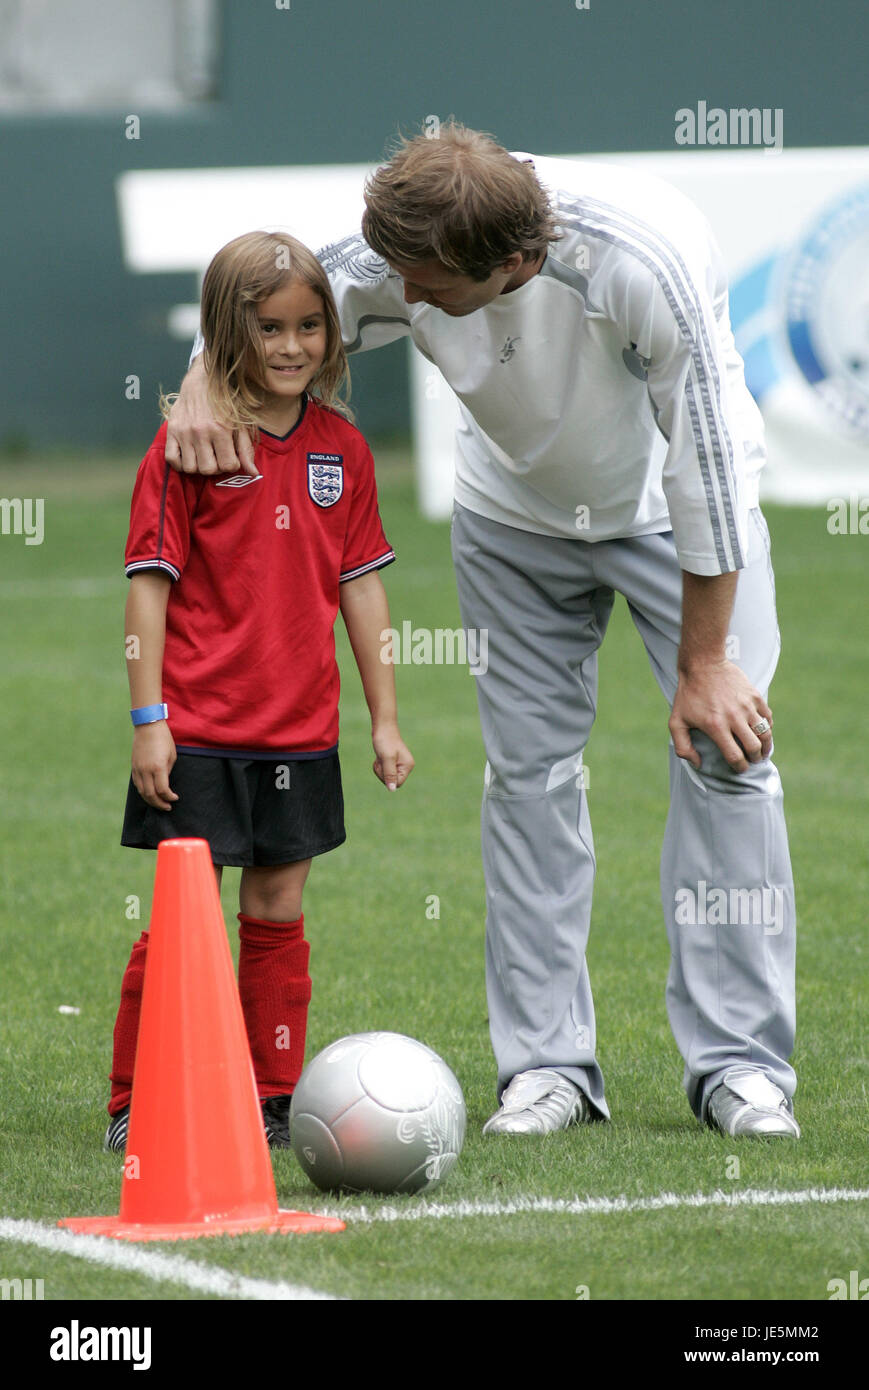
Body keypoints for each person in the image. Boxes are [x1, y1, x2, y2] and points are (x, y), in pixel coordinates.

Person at [165, 125, 800, 1141]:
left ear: (516, 262)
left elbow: (709, 464)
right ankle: (546, 1068)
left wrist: (705, 661)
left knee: (727, 760)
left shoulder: (644, 263)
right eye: (397, 278)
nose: (403, 302)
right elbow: (261, 305)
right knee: (528, 779)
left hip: (670, 520)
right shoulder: (403, 252)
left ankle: (739, 1070)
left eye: (426, 287)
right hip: (511, 524)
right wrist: (200, 378)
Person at [106, 230, 413, 1153]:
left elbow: (360, 585)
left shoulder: (343, 451)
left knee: (276, 918)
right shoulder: (190, 444)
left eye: (310, 326)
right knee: (180, 926)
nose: (291, 346)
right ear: (226, 333)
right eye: (270, 327)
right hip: (197, 731)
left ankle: (273, 1096)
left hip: (299, 736)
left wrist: (384, 719)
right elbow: (147, 585)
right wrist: (149, 720)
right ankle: (135, 1099)